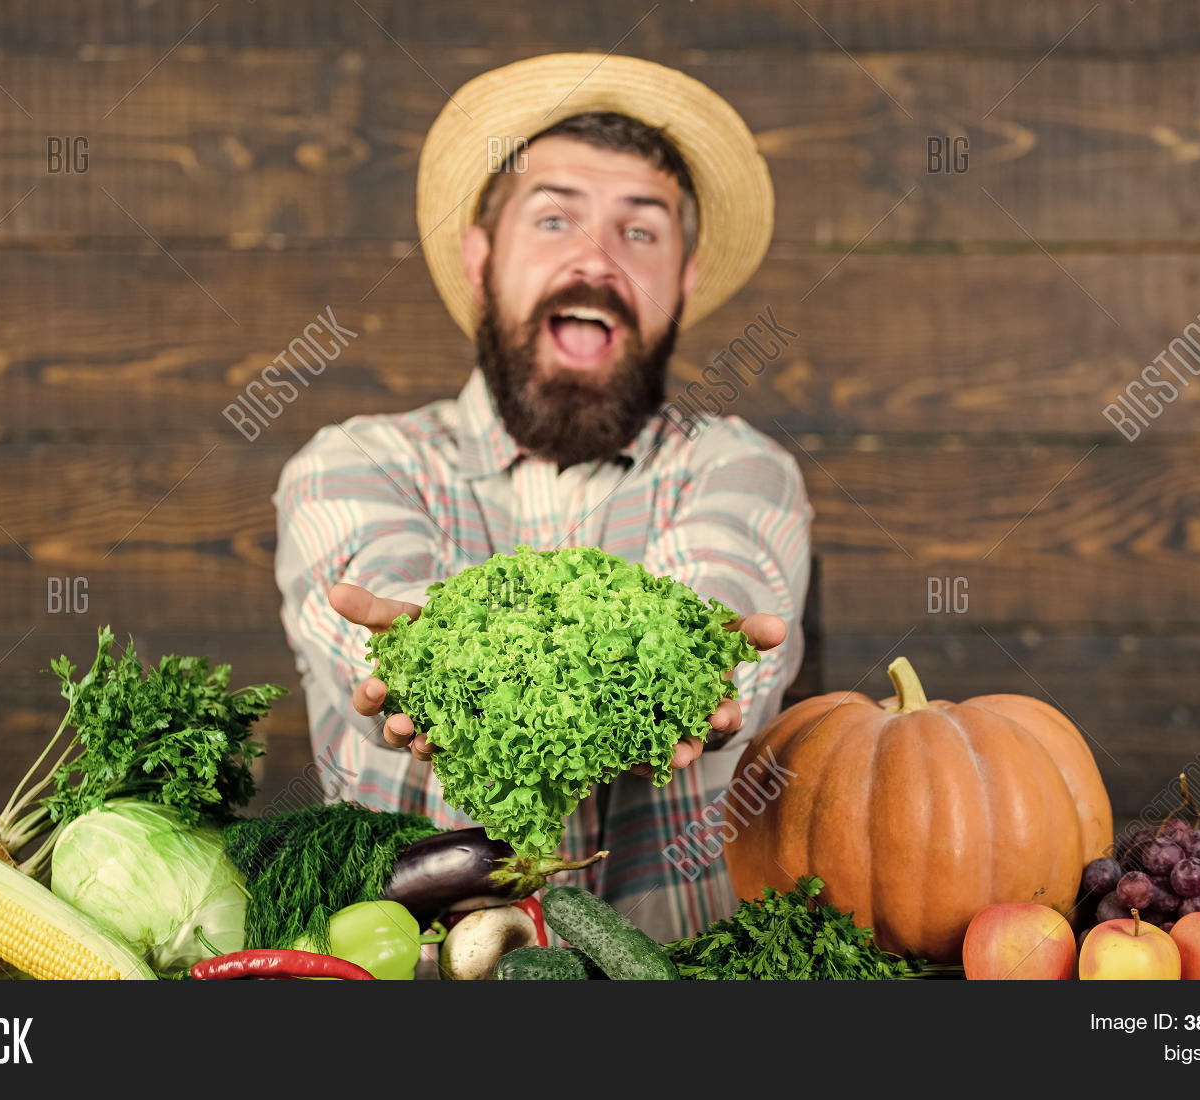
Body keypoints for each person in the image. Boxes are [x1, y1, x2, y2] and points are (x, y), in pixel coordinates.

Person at [274, 53, 812, 941]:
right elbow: (373, 603)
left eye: (640, 233)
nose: (596, 260)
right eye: (555, 217)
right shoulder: (356, 461)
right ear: (481, 260)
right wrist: (414, 648)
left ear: (683, 279)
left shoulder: (738, 468)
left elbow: (728, 597)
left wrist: (702, 669)